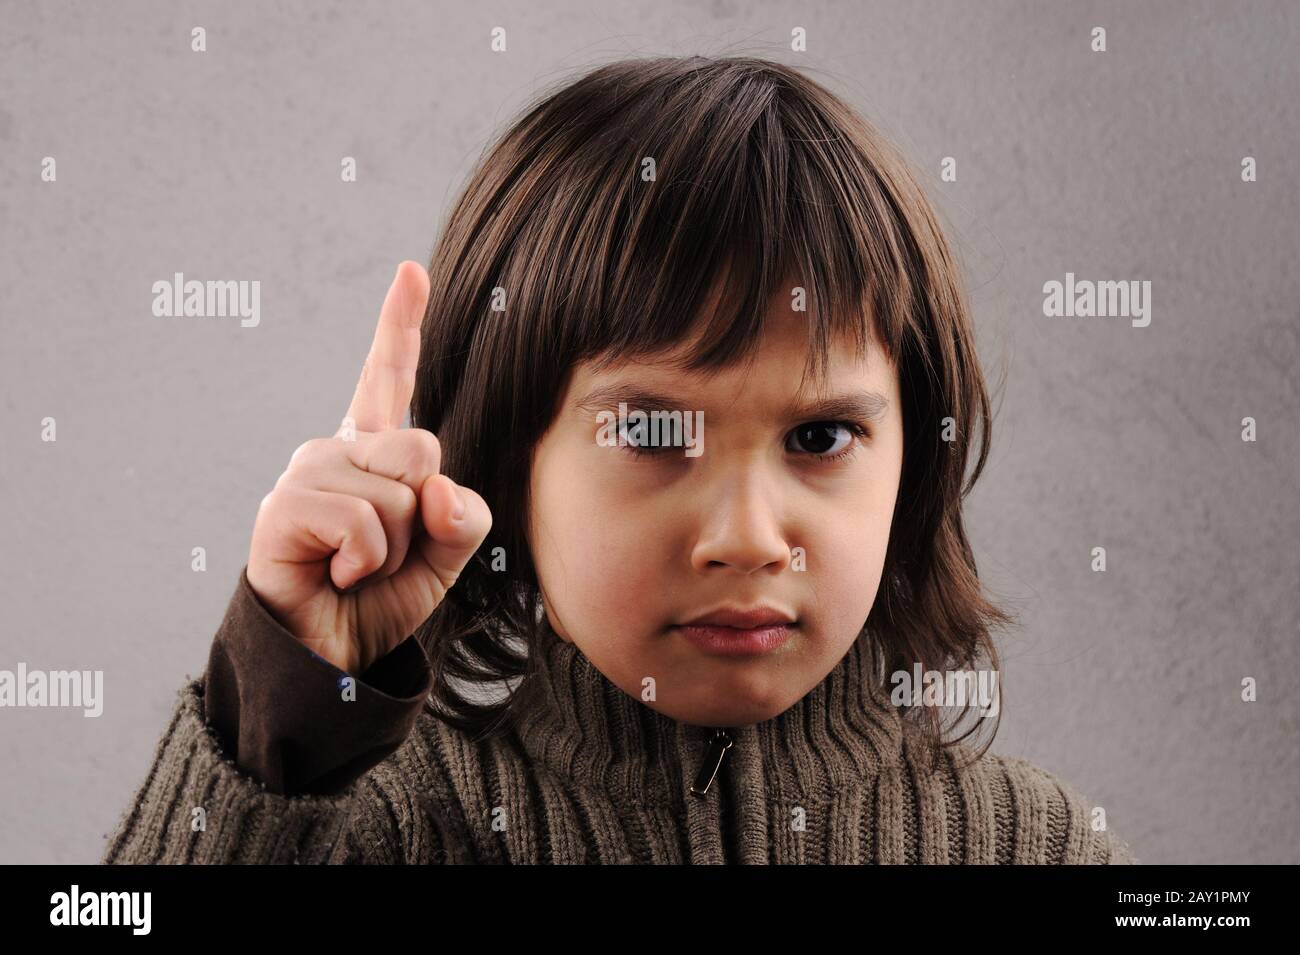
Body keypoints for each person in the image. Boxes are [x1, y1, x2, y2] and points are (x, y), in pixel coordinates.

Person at [102, 55, 1136, 864]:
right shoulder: (386, 832)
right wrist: (280, 716)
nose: (747, 539)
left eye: (820, 438)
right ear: (504, 464)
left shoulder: (1035, 846)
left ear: (913, 464)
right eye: (649, 434)